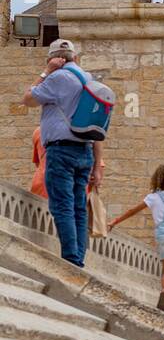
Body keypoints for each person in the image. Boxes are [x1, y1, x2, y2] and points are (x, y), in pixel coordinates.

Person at [21, 38, 105, 266]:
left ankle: (71, 259)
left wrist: (45, 72)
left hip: (61, 151)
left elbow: (27, 99)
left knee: (62, 205)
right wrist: (98, 165)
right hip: (85, 151)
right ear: (75, 57)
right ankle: (78, 258)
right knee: (79, 208)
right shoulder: (88, 79)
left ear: (53, 59)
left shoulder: (57, 77)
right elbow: (97, 126)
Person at [108, 165, 164, 316]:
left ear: (157, 179)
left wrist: (115, 221)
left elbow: (132, 210)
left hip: (163, 235)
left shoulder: (153, 197)